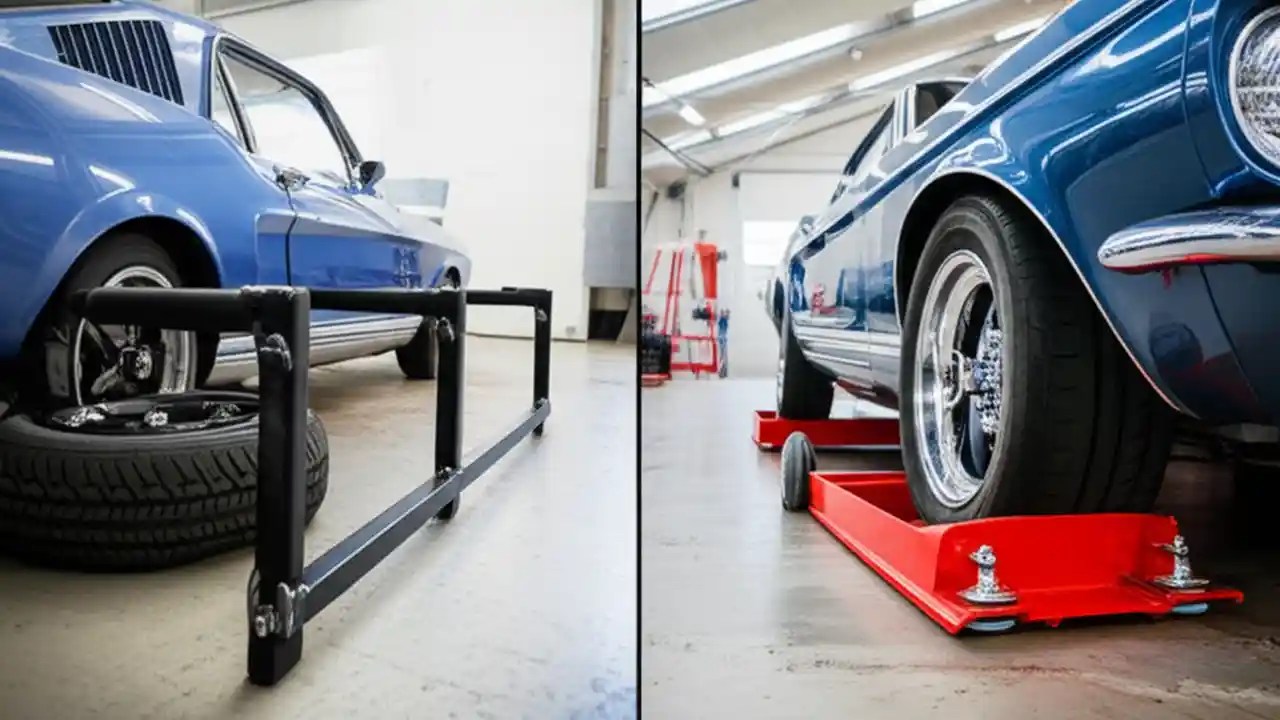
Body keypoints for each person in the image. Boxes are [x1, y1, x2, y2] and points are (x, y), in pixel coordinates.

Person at [716, 308, 730, 378]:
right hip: (722, 339)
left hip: (722, 339)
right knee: (722, 355)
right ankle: (722, 371)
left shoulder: (723, 320)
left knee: (723, 355)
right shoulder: (722, 320)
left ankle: (723, 371)